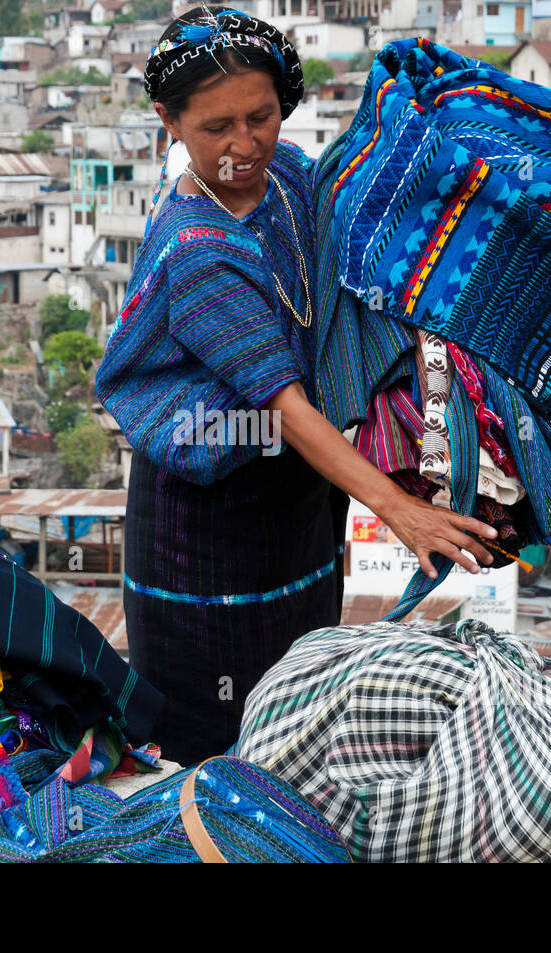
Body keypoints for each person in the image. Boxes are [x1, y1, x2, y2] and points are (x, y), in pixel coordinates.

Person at [95, 6, 498, 765]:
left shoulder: (284, 176)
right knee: (214, 744)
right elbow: (283, 400)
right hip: (205, 519)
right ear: (168, 122)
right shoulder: (198, 249)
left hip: (300, 487)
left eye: (262, 116)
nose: (244, 145)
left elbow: (358, 251)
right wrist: (401, 512)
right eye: (217, 127)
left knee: (296, 714)